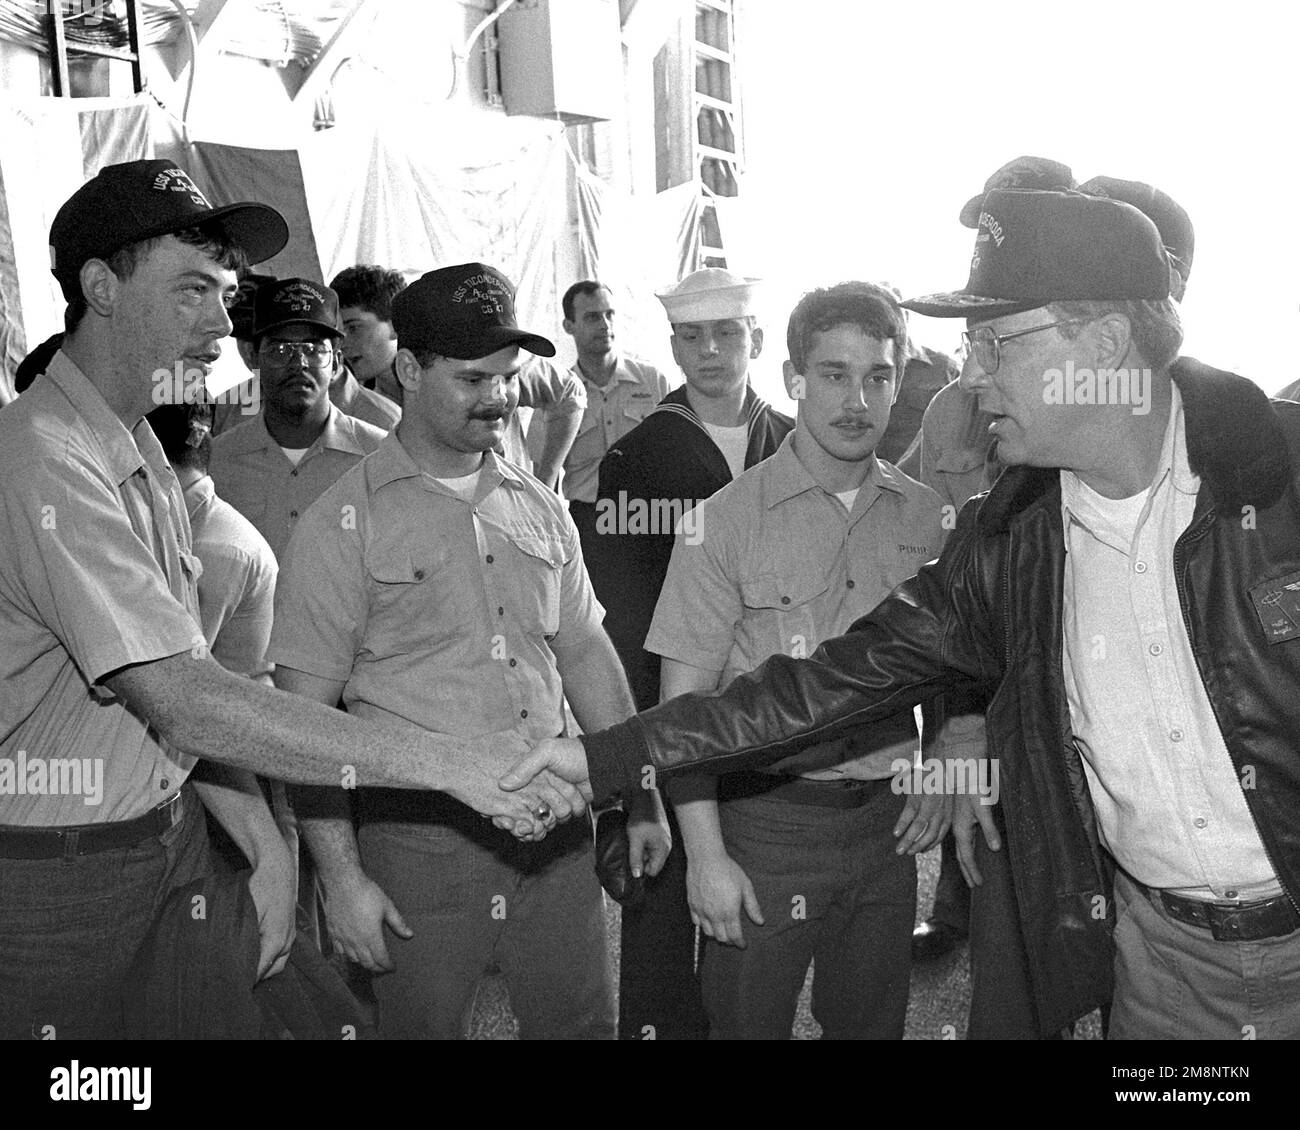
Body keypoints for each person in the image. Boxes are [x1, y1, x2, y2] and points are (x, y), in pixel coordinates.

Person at [508, 187, 1300, 1040]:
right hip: (1163, 967)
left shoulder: (1279, 481)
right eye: (970, 346)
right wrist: (614, 756)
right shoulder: (1007, 542)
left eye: (995, 342)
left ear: (1103, 343)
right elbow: (829, 683)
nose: (970, 376)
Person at [0, 160, 576, 1040]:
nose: (221, 323)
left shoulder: (138, 455)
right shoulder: (46, 457)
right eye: (193, 290)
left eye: (225, 293)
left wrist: (269, 847)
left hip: (166, 840)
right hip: (56, 881)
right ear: (100, 287)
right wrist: (451, 765)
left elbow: (191, 700)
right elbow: (182, 700)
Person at [268, 262, 668, 1039]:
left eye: (509, 377)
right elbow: (300, 724)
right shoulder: (340, 523)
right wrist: (343, 881)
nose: (499, 397)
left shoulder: (541, 508)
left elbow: (587, 656)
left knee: (580, 1026)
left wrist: (638, 793)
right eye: (473, 378)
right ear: (409, 370)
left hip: (556, 834)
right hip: (420, 846)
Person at [912, 170, 1197, 991]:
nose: (973, 375)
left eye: (997, 343)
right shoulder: (1018, 496)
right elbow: (931, 614)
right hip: (1043, 781)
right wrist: (966, 724)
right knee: (1027, 973)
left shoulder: (1248, 470)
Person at [651, 282, 948, 1038]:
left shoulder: (926, 518)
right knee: (747, 1025)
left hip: (885, 828)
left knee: (870, 1026)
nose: (858, 400)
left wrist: (948, 764)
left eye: (877, 376)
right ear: (793, 379)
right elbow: (680, 716)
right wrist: (705, 858)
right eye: (833, 374)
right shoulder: (721, 524)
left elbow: (959, 667)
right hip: (766, 827)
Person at [593, 266, 794, 1040]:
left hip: (773, 713)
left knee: (758, 911)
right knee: (663, 906)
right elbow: (620, 616)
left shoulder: (793, 441)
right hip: (673, 709)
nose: (708, 350)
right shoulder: (637, 459)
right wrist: (639, 767)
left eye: (726, 333)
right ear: (673, 342)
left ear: (756, 339)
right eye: (690, 335)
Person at [208, 278, 386, 562]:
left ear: (337, 362)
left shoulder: (380, 458)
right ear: (255, 357)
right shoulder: (217, 463)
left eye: (314, 350)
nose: (298, 363)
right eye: (280, 350)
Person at [558, 279, 671, 568]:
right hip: (590, 522)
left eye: (609, 314)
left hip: (650, 517)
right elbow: (540, 475)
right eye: (592, 317)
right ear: (569, 326)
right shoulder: (559, 395)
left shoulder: (652, 381)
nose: (605, 325)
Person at [330, 265, 407, 406]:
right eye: (339, 332)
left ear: (396, 325)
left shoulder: (442, 383)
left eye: (353, 328)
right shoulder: (357, 406)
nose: (342, 345)